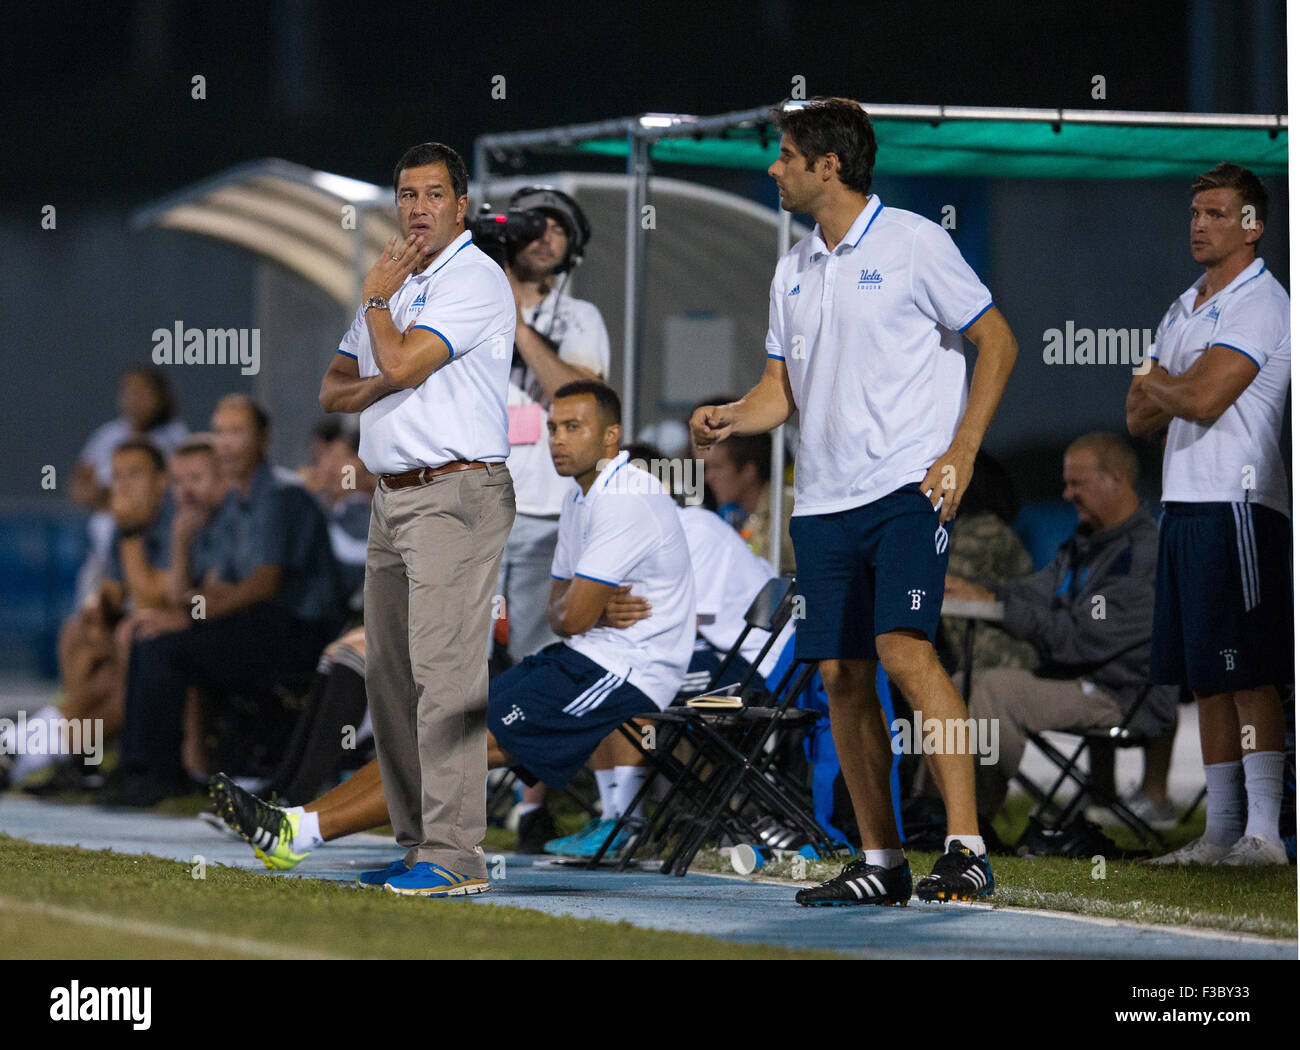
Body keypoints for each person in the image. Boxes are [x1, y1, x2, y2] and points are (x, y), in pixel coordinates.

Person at [692, 97, 1018, 906]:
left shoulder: (914, 241)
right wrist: (734, 412)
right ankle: (881, 861)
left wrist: (962, 451)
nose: (774, 167)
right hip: (824, 503)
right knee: (840, 673)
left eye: (785, 153)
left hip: (908, 487)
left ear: (827, 165)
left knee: (905, 651)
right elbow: (781, 391)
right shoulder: (792, 267)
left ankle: (967, 849)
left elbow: (998, 341)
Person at [208, 383, 695, 887]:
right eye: (552, 427)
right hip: (583, 655)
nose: (558, 440)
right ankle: (306, 827)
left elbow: (570, 616)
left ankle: (304, 832)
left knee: (461, 741)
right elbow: (558, 613)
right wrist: (584, 606)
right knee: (436, 727)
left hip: (627, 671)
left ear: (612, 436)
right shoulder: (579, 495)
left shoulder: (625, 497)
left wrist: (581, 608)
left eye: (574, 428)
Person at [318, 141, 517, 897]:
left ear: (461, 206)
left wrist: (376, 311)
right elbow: (333, 391)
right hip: (392, 496)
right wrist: (384, 343)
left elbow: (393, 367)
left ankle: (459, 856)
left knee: (446, 676)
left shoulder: (472, 277)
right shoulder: (397, 284)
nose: (418, 209)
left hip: (455, 493)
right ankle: (418, 845)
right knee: (391, 680)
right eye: (406, 195)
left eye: (434, 195)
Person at [1126, 162, 1292, 866]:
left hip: (1241, 506)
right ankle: (1222, 832)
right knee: (1211, 675)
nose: (1199, 224)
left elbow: (1199, 401)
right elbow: (1136, 415)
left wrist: (1164, 380)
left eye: (1216, 213)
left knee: (1249, 672)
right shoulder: (1184, 304)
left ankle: (1266, 834)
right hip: (1187, 507)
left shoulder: (1261, 302)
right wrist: (1174, 383)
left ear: (1252, 226)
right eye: (1195, 212)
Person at [111, 396, 343, 805]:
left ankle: (156, 776)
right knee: (151, 637)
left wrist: (187, 620)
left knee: (167, 647)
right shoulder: (236, 503)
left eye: (237, 431)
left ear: (263, 437)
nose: (227, 443)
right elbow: (213, 587)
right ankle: (139, 771)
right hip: (257, 625)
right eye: (219, 431)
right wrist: (179, 607)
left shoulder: (282, 496)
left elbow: (262, 585)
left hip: (300, 634)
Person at [945, 433, 1178, 823]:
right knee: (957, 683)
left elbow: (1080, 641)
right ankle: (934, 810)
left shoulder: (1140, 556)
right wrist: (981, 591)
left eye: (1076, 483)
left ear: (1115, 479)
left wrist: (997, 605)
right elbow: (1035, 591)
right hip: (1084, 680)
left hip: (1121, 696)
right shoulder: (1086, 544)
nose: (1066, 494)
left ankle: (972, 821)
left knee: (994, 691)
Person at [496, 186, 611, 852]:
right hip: (476, 505)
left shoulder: (581, 315)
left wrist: (514, 326)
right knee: (464, 656)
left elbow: (578, 393)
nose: (545, 238)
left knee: (539, 656)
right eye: (533, 226)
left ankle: (530, 802)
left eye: (560, 230)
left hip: (542, 509)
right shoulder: (470, 300)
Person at [1, 440, 175, 790]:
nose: (123, 485)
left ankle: (23, 753)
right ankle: (30, 753)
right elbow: (114, 591)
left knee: (128, 675)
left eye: (135, 474)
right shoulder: (123, 524)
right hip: (139, 639)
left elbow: (155, 598)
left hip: (174, 642)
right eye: (119, 476)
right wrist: (99, 614)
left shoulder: (175, 521)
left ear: (162, 481)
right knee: (80, 635)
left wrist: (128, 532)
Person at [70, 367, 188, 605]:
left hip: (157, 547)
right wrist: (118, 509)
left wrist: (114, 505)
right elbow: (80, 488)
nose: (134, 399)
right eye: (128, 392)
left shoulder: (177, 438)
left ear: (161, 396)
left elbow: (176, 495)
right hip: (104, 550)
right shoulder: (107, 435)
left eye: (142, 392)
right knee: (85, 625)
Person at [697, 430, 796, 573]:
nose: (709, 477)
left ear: (748, 471)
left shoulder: (788, 509)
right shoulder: (733, 515)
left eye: (717, 466)